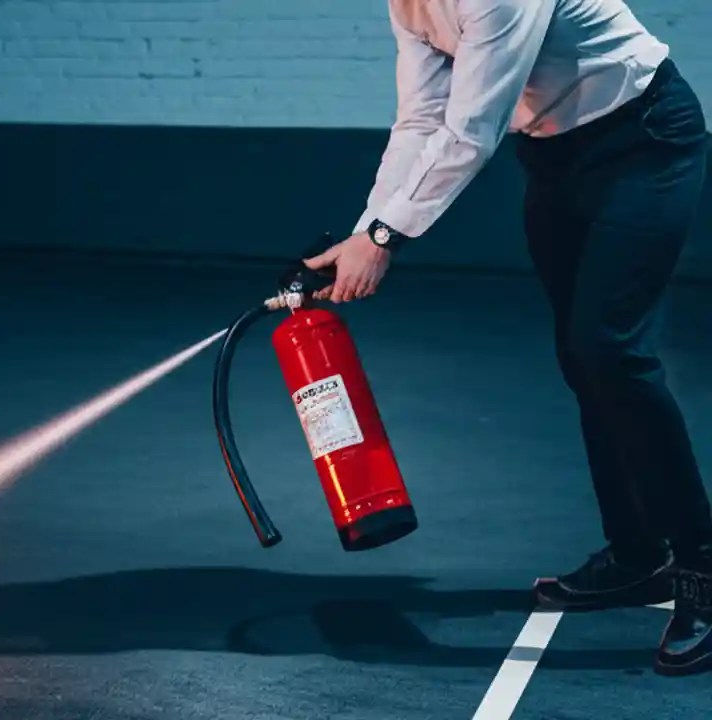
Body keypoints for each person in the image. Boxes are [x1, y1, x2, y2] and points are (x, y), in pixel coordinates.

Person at [302, 0, 712, 676]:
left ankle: (701, 564)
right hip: (556, 157)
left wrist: (384, 239)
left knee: (610, 352)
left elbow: (471, 127)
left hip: (645, 141)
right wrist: (365, 229)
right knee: (584, 361)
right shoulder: (406, 2)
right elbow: (419, 120)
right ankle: (640, 557)